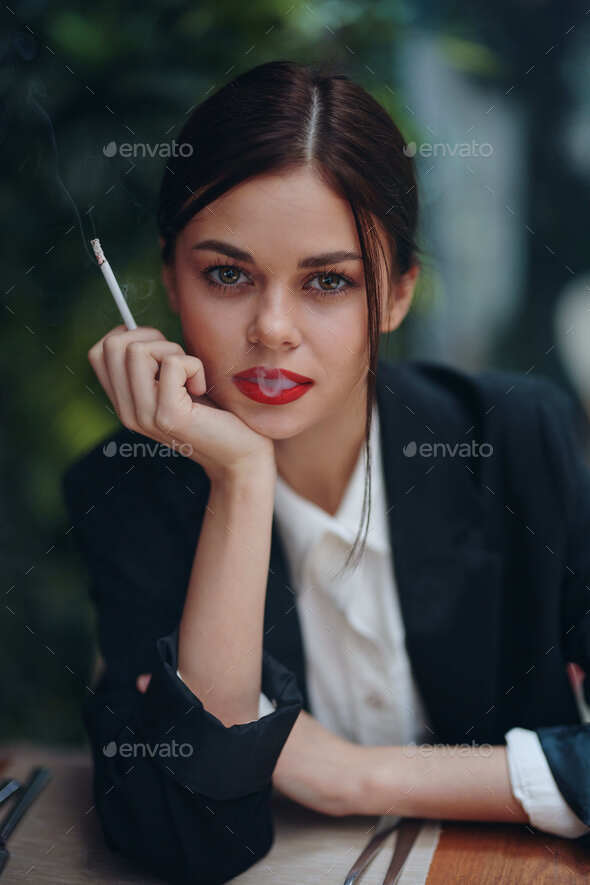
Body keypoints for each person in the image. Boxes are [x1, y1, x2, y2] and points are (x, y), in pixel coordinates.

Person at [62, 60, 590, 885]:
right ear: (171, 279)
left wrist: (354, 774)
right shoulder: (130, 489)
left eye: (329, 282)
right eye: (228, 274)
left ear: (398, 295)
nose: (272, 329)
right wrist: (240, 476)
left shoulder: (515, 439)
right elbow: (186, 836)